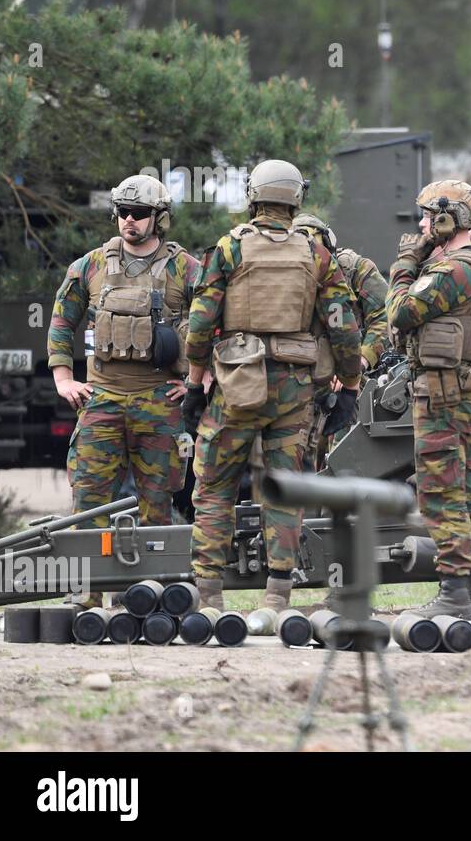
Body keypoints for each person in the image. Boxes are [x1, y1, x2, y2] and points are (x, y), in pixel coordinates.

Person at [181, 160, 362, 612]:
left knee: (215, 486)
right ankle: (277, 598)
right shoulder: (317, 255)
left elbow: (201, 323)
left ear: (253, 196)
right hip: (295, 388)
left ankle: (210, 599)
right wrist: (352, 385)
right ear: (295, 199)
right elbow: (343, 326)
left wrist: (194, 382)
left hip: (236, 385)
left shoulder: (229, 248)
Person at [47, 175, 200, 606]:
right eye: (122, 212)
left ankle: (155, 595)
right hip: (102, 400)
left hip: (158, 402)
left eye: (140, 213)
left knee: (157, 503)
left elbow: (212, 324)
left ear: (159, 218)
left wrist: (195, 380)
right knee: (89, 501)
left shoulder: (185, 268)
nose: (129, 220)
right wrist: (63, 378)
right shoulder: (91, 265)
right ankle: (86, 594)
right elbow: (62, 320)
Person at [388, 180, 471, 619]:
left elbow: (400, 311)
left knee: (440, 496)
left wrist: (404, 265)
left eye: (425, 216)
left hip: (442, 397)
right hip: (459, 394)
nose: (420, 225)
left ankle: (454, 595)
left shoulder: (455, 270)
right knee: (464, 493)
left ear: (446, 219)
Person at [291, 212, 389, 470]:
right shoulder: (282, 278)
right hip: (301, 378)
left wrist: (360, 363)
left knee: (345, 460)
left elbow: (386, 316)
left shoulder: (354, 269)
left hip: (351, 381)